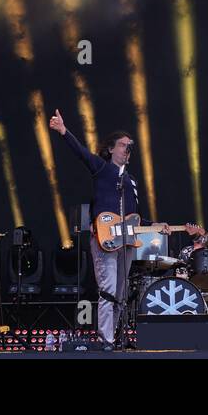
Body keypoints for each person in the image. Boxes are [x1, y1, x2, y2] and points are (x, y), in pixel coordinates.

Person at [49, 109, 147, 349]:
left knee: (122, 293)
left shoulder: (131, 181)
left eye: (130, 146)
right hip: (105, 239)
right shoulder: (102, 169)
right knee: (109, 289)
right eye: (123, 145)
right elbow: (82, 154)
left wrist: (158, 225)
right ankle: (106, 340)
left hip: (126, 241)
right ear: (112, 149)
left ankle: (114, 336)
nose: (127, 149)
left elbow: (135, 216)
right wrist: (64, 131)